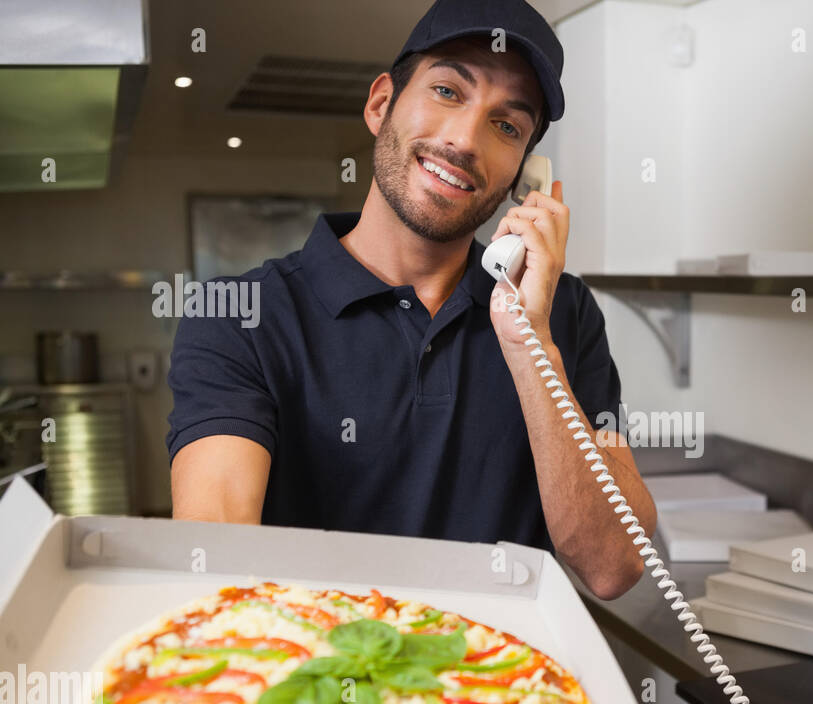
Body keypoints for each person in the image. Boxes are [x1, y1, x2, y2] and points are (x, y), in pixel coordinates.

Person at [165, 0, 654, 600]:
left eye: (507, 127)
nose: (464, 140)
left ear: (524, 175)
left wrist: (530, 344)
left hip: (503, 685)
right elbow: (214, 557)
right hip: (317, 674)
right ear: (380, 105)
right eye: (448, 90)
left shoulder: (564, 313)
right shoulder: (239, 316)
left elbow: (615, 566)